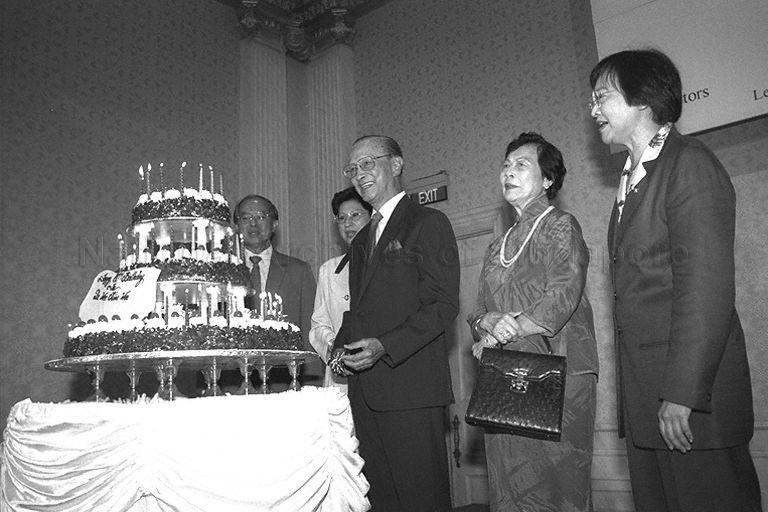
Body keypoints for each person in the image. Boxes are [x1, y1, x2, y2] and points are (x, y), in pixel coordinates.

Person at [589, 48, 761, 512]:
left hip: (690, 408)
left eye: (602, 96)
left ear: (643, 99)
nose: (593, 109)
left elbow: (705, 290)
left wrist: (681, 394)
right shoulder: (631, 177)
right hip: (648, 405)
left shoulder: (689, 164)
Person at [468, 132, 599, 512]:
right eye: (506, 165)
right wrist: (488, 322)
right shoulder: (497, 245)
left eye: (521, 165)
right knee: (509, 487)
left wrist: (508, 330)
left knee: (559, 488)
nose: (508, 172)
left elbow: (563, 293)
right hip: (503, 377)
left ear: (547, 179)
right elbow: (476, 312)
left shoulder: (561, 225)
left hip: (560, 374)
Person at [330, 135, 460, 512]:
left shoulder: (428, 222)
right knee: (381, 500)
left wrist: (385, 345)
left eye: (368, 163)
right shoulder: (361, 240)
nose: (359, 174)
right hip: (366, 394)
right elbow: (358, 312)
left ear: (397, 164)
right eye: (352, 168)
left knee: (422, 500)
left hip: (411, 391)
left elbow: (442, 305)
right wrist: (339, 352)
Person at [233, 194, 320, 386]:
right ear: (236, 226)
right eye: (245, 218)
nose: (253, 224)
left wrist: (312, 383)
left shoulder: (299, 271)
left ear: (274, 224)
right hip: (231, 380)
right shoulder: (223, 271)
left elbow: (310, 331)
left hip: (285, 381)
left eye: (261, 217)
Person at [309, 187, 372, 389]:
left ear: (373, 217)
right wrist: (336, 345)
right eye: (341, 218)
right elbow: (318, 325)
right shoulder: (329, 270)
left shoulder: (390, 263)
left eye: (355, 215)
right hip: (341, 377)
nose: (347, 223)